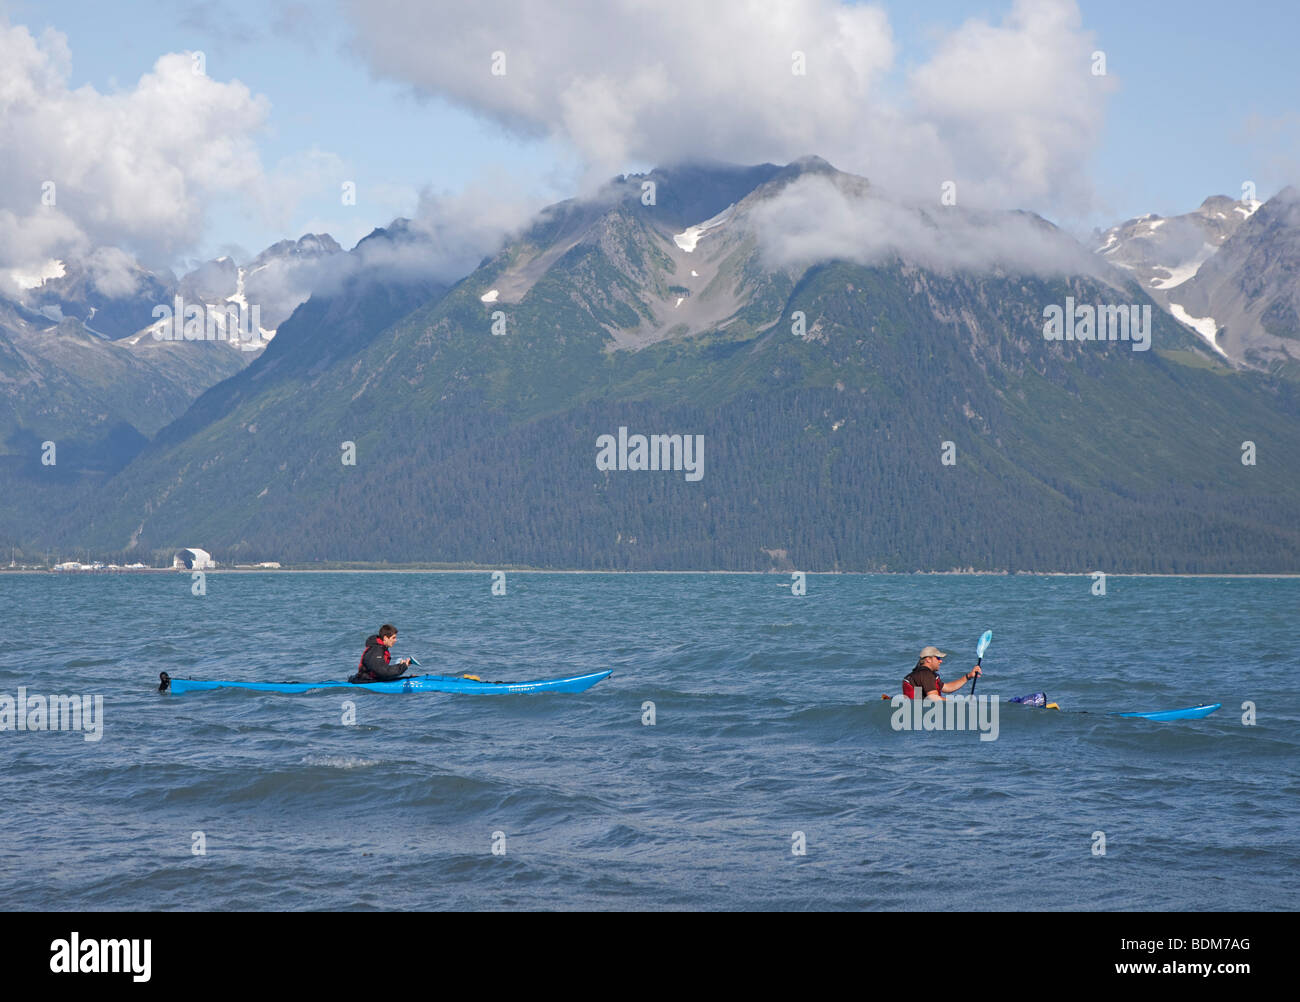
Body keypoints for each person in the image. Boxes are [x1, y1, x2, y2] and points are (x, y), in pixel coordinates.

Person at [900, 646, 980, 700]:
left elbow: (947, 688)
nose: (940, 661)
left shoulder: (917, 675)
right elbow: (933, 698)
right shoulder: (926, 674)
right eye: (938, 658)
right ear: (928, 659)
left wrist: (968, 676)